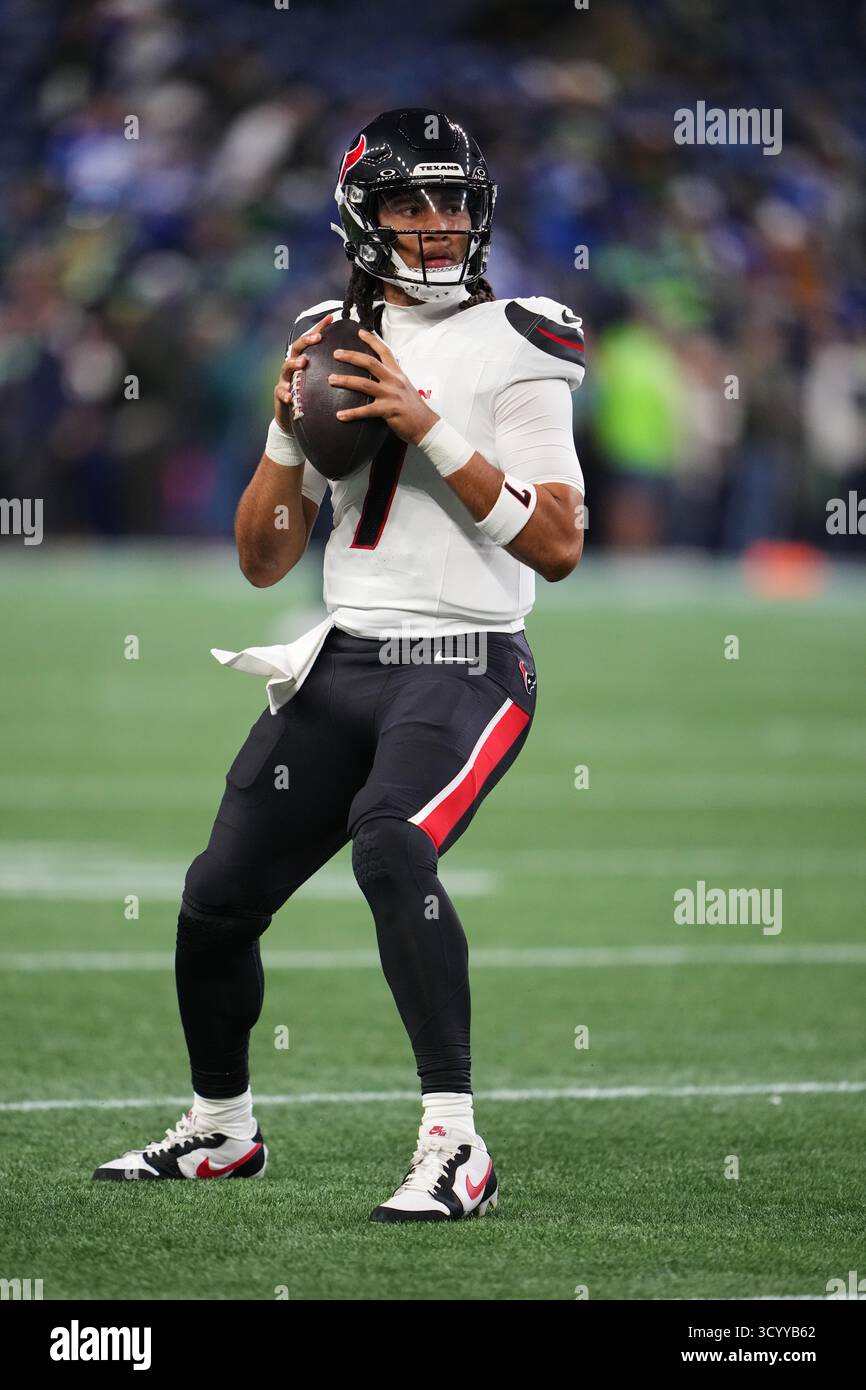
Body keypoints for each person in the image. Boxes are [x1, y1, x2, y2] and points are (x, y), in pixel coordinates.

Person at [93, 109, 586, 1222]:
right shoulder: (323, 332)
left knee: (390, 844)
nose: (438, 223)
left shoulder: (520, 335)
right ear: (362, 214)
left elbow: (556, 545)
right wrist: (280, 439)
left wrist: (428, 428)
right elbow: (264, 559)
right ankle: (221, 1132)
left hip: (465, 662)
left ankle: (454, 1145)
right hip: (341, 659)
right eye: (413, 201)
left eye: (455, 200)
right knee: (215, 897)